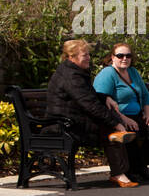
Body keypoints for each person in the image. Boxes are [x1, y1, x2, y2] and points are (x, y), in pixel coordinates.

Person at [46, 39, 141, 187]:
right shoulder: (71, 76)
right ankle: (120, 174)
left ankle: (125, 171)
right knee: (109, 129)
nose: (89, 58)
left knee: (111, 126)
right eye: (85, 55)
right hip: (63, 125)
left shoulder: (75, 72)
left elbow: (89, 97)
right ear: (72, 57)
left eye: (88, 54)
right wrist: (116, 123)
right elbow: (89, 104)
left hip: (72, 119)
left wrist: (105, 98)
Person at [93, 43, 149, 181]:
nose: (124, 58)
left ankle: (144, 165)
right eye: (120, 55)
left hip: (138, 116)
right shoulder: (107, 74)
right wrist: (124, 119)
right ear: (112, 57)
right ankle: (133, 169)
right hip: (118, 117)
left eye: (128, 56)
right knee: (132, 133)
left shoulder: (133, 72)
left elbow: (145, 95)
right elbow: (102, 101)